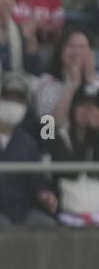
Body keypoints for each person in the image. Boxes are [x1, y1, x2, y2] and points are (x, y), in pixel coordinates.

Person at [0, 72, 58, 226]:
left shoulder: (29, 143)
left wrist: (44, 195)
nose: (13, 104)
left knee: (47, 225)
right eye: (8, 98)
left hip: (22, 211)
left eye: (19, 100)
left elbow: (38, 181)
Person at [43, 83, 99, 225]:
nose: (88, 112)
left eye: (93, 106)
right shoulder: (58, 135)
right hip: (69, 216)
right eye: (83, 105)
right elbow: (72, 172)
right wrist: (72, 83)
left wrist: (95, 132)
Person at [35, 27, 99, 131]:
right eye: (71, 46)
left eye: (82, 47)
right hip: (57, 143)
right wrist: (71, 85)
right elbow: (48, 130)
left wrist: (90, 81)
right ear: (60, 51)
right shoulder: (48, 82)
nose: (77, 52)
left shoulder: (96, 81)